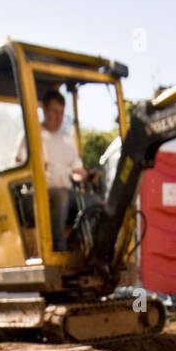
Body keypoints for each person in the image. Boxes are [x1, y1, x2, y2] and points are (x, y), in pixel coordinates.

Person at [32, 89, 101, 251]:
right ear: (44, 111)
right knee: (60, 196)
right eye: (55, 112)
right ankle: (58, 248)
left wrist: (88, 176)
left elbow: (77, 172)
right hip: (42, 194)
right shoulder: (33, 136)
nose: (59, 117)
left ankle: (77, 245)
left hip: (67, 192)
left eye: (61, 113)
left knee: (96, 203)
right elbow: (20, 163)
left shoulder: (67, 140)